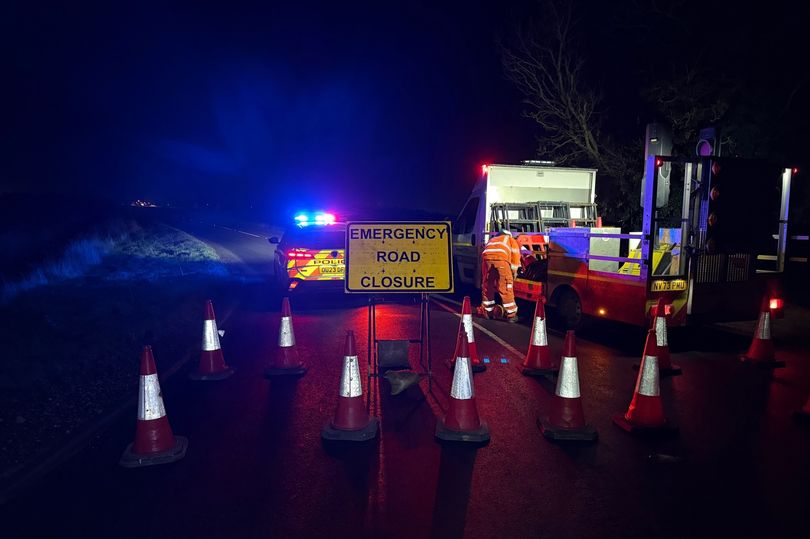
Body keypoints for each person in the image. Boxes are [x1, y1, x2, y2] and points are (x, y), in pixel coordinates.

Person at [480, 226, 521, 322]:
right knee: (506, 286)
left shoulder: (492, 239)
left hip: (486, 261)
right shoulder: (510, 239)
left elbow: (485, 254)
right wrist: (514, 271)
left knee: (487, 285)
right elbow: (515, 255)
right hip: (501, 260)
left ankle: (487, 312)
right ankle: (511, 315)